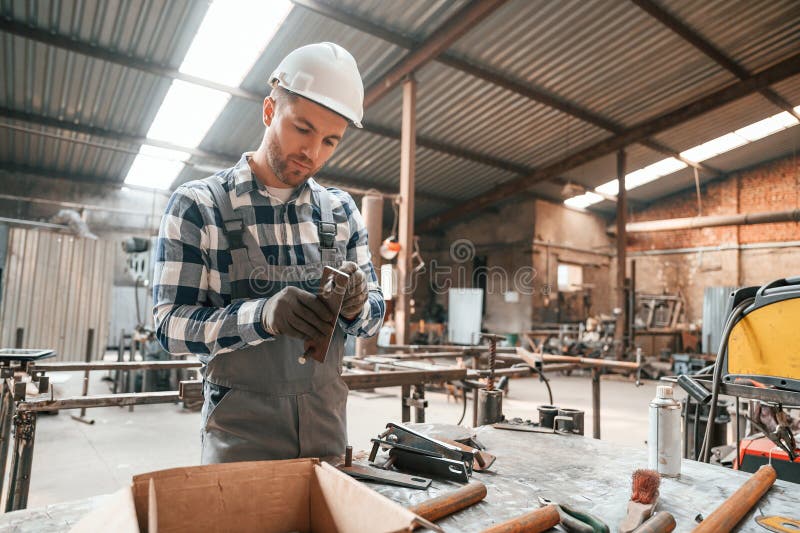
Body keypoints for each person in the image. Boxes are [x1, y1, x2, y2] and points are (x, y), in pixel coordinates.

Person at [153, 43, 384, 464]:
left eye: (330, 140)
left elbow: (372, 321)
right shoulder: (199, 206)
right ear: (268, 111)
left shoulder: (341, 211)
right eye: (302, 128)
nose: (313, 153)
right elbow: (169, 327)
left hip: (327, 435)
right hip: (241, 439)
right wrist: (260, 317)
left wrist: (357, 305)